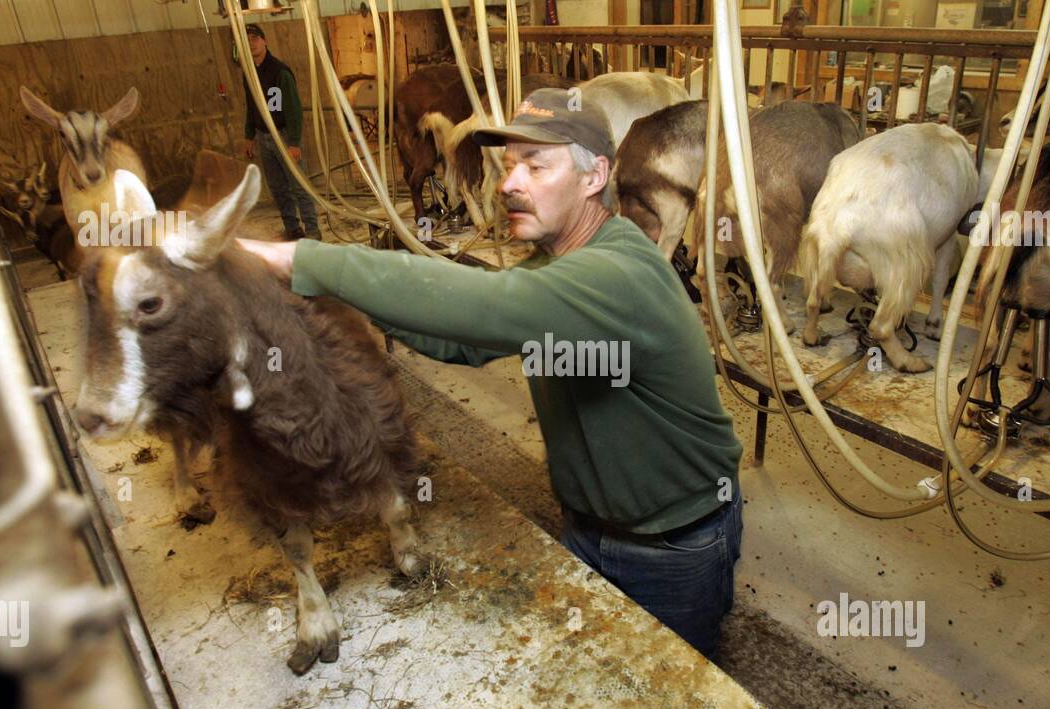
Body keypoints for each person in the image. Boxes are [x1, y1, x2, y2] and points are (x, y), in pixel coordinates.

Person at [240, 89, 744, 657]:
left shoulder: (616, 273)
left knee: (676, 689)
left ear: (594, 176)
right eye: (508, 166)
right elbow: (462, 338)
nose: (508, 183)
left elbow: (485, 304)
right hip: (588, 527)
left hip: (672, 547)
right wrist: (338, 303)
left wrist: (300, 259)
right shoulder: (557, 262)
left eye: (535, 164)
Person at [241, 23, 320, 240]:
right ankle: (292, 227)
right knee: (278, 187)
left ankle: (312, 229)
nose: (252, 44)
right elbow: (251, 105)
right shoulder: (249, 73)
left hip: (282, 135)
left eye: (255, 38)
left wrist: (294, 142)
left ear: (265, 41)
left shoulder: (280, 72)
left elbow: (293, 109)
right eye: (247, 40)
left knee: (298, 184)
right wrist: (249, 136)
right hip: (263, 136)